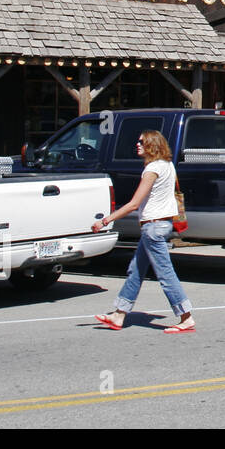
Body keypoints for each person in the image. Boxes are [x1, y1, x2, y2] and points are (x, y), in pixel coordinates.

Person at [91, 130, 194, 333]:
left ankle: (186, 317)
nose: (137, 144)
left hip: (153, 228)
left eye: (142, 142)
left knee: (165, 274)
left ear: (152, 145)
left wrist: (106, 220)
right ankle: (119, 314)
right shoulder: (167, 165)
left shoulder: (153, 169)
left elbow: (134, 203)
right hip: (160, 225)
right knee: (136, 271)